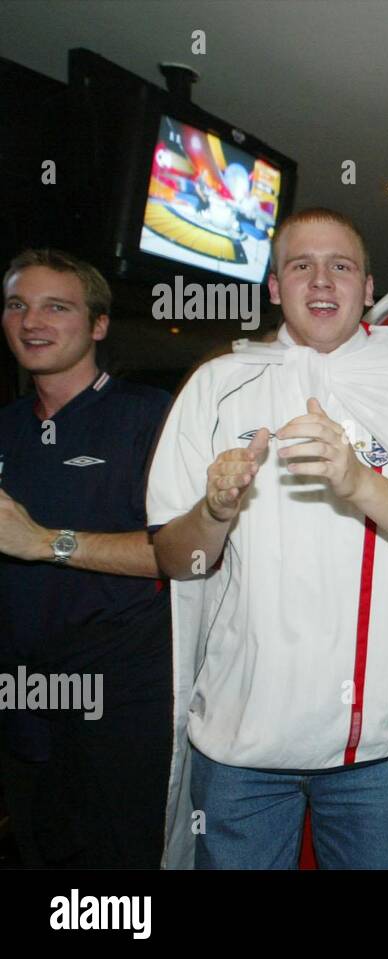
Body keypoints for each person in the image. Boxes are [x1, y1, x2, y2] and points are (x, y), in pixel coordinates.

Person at [147, 208, 388, 868]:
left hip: (375, 745)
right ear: (274, 288)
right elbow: (175, 558)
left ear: (369, 286)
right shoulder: (218, 385)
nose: (321, 280)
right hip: (240, 746)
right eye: (301, 265)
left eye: (341, 266)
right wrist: (214, 510)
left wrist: (358, 480)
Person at [0, 249, 172, 867]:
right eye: (17, 304)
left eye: (57, 306)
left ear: (98, 324)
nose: (32, 321)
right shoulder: (7, 426)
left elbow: (178, 555)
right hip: (21, 699)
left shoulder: (149, 418)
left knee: (124, 871)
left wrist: (47, 541)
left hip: (121, 697)